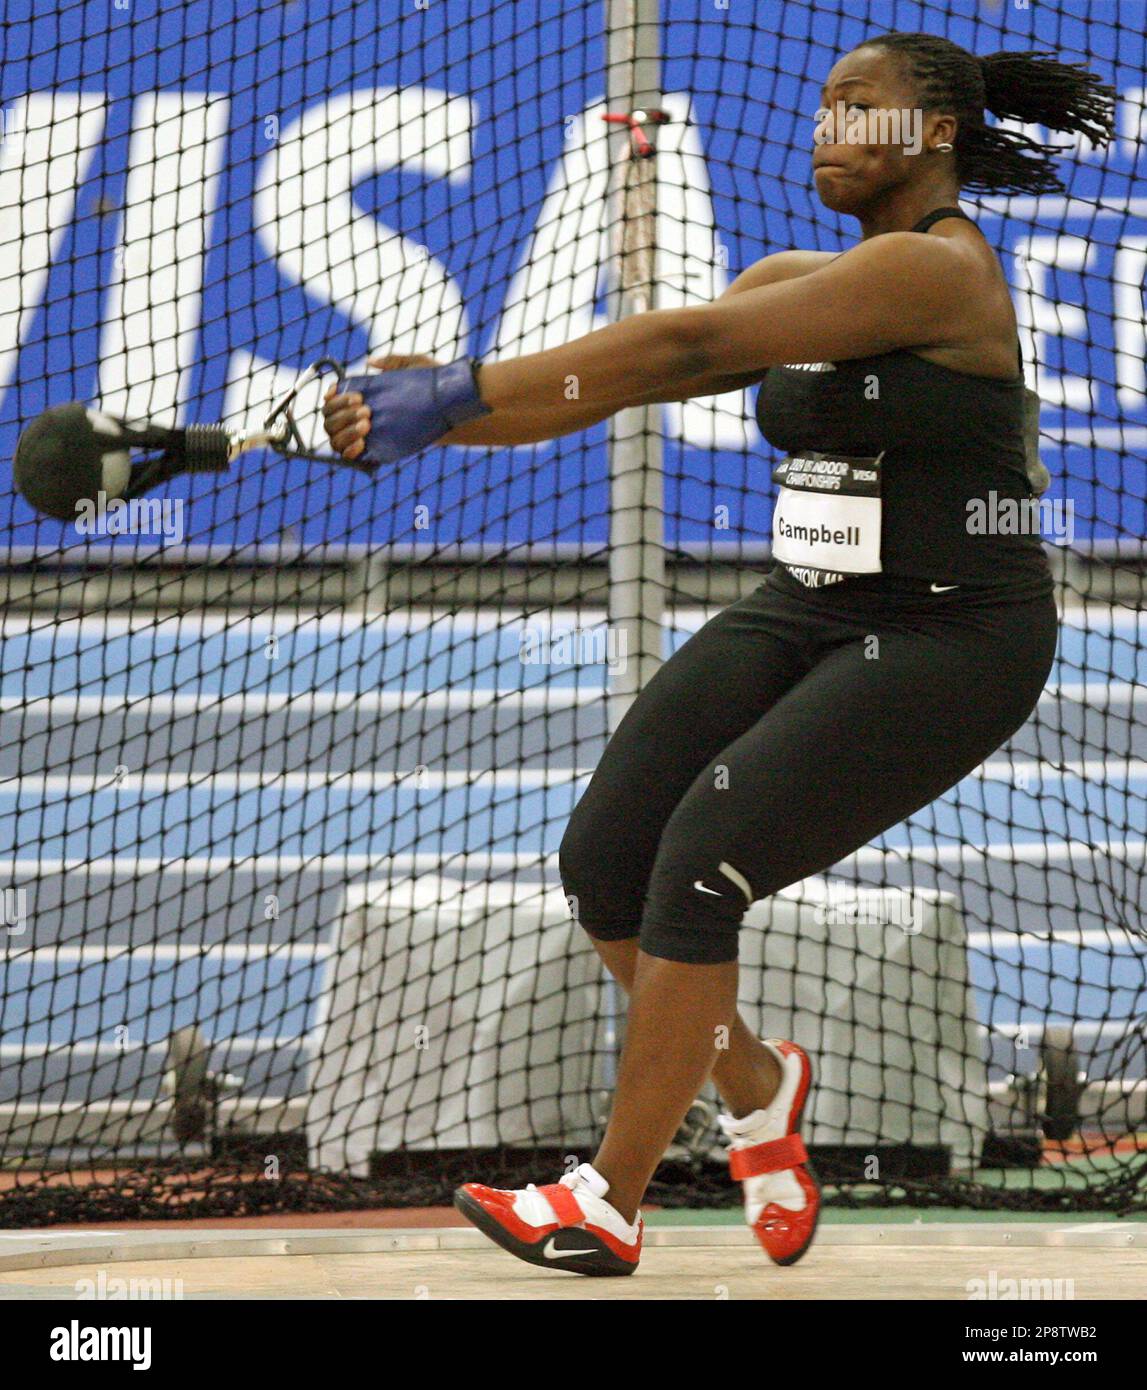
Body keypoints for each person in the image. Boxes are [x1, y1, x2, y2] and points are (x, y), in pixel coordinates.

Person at [322, 31, 1114, 1277]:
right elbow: (625, 378)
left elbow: (682, 347)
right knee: (602, 860)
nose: (826, 128)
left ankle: (604, 1197)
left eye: (859, 109)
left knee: (699, 866)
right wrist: (452, 407)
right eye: (821, 107)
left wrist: (468, 382)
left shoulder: (940, 277)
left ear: (934, 134)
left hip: (952, 634)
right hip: (806, 607)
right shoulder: (802, 274)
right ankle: (755, 1084)